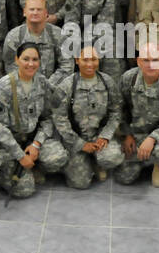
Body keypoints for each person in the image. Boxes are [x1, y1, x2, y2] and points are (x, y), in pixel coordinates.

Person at [0, 42, 69, 198]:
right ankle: (9, 170)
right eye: (26, 59)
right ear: (17, 60)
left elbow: (48, 117)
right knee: (24, 190)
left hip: (31, 140)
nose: (31, 64)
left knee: (58, 157)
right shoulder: (4, 87)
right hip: (9, 145)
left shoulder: (42, 83)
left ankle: (34, 165)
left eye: (35, 59)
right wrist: (20, 155)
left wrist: (36, 144)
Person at [115, 40, 159, 187]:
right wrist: (127, 134)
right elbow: (120, 110)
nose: (151, 65)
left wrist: (153, 138)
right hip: (136, 134)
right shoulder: (128, 79)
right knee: (124, 178)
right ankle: (142, 160)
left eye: (155, 60)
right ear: (138, 62)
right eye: (146, 60)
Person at [50, 46, 123, 187]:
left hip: (99, 137)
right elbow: (60, 119)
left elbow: (116, 112)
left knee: (112, 157)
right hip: (75, 139)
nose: (90, 64)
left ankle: (97, 161)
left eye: (94, 59)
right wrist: (80, 144)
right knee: (80, 183)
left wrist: (105, 136)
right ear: (77, 60)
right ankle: (80, 161)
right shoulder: (67, 85)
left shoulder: (107, 82)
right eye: (85, 60)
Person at [61, 0, 122, 79]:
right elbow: (71, 24)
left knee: (112, 83)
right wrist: (77, 51)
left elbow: (117, 19)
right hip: (89, 48)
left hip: (110, 48)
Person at [2, 0, 67, 79]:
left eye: (39, 9)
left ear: (46, 13)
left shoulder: (59, 35)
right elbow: (10, 67)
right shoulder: (13, 36)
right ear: (24, 12)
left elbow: (66, 66)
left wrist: (47, 85)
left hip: (53, 85)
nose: (35, 13)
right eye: (32, 9)